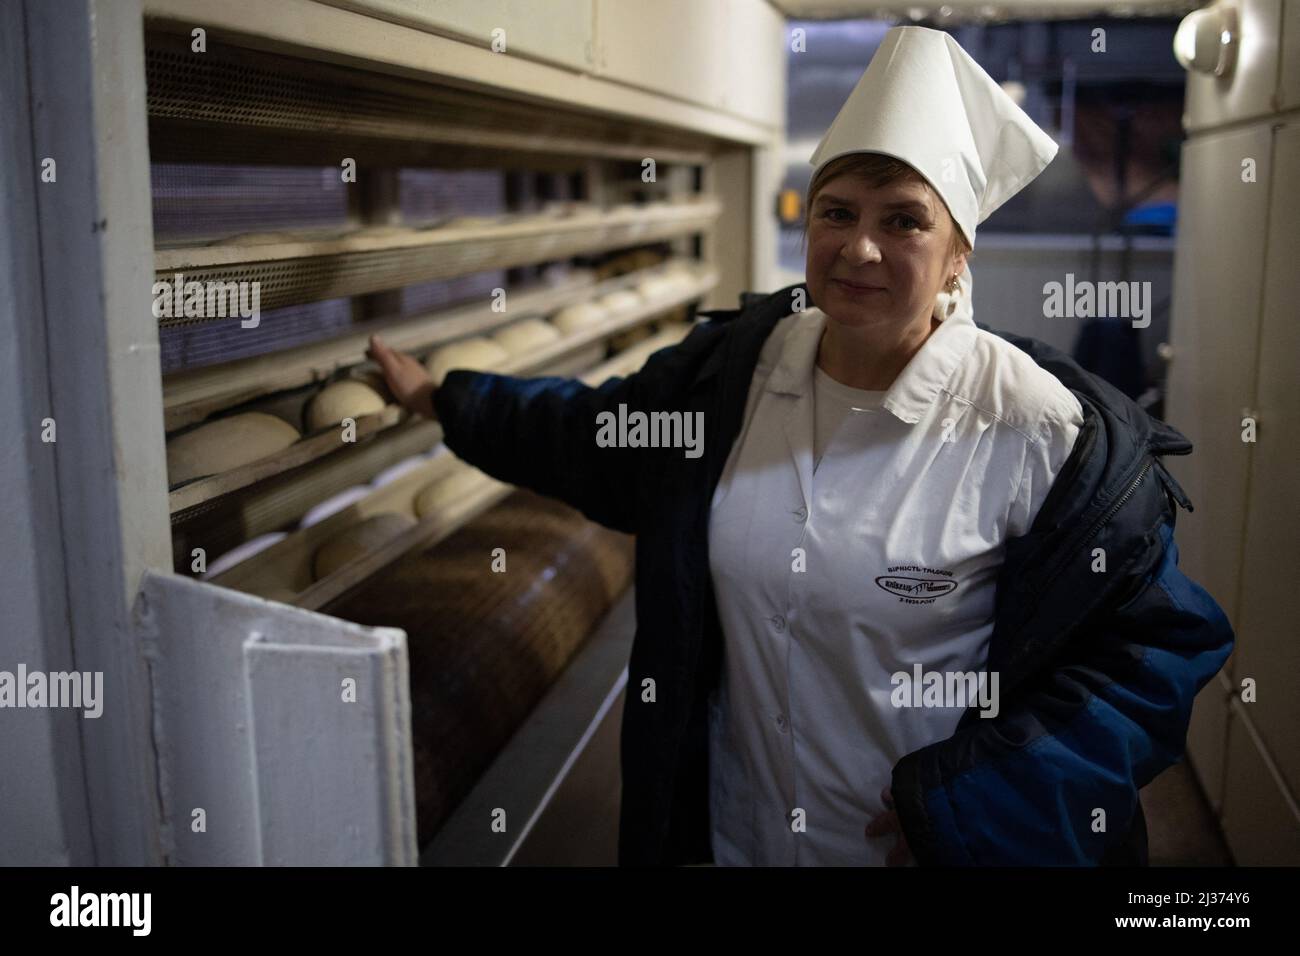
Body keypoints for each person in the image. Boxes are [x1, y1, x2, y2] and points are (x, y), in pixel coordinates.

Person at [367, 26, 1233, 866]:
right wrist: (444, 398)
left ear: (958, 256)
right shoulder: (732, 375)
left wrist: (987, 798)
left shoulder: (1046, 435)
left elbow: (1153, 654)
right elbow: (593, 438)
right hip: (735, 839)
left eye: (903, 222)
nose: (859, 247)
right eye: (837, 212)